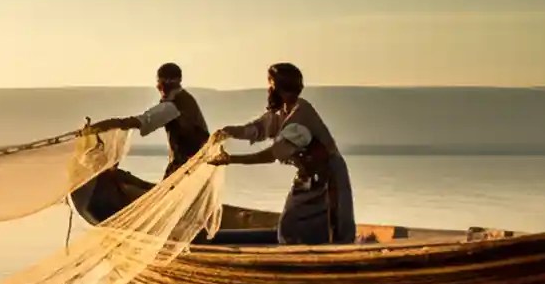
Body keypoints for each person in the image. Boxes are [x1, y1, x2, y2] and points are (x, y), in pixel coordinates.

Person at [210, 63, 356, 245]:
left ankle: (325, 255)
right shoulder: (280, 113)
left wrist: (231, 159)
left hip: (328, 178)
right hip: (307, 177)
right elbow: (256, 129)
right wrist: (228, 132)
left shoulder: (300, 117)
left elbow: (271, 155)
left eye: (270, 84)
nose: (268, 90)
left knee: (333, 228)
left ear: (279, 87)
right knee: (289, 225)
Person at [86, 62, 210, 178]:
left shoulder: (173, 106)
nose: (159, 88)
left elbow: (139, 121)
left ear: (164, 85)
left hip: (187, 169)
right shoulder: (185, 100)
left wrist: (98, 128)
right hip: (196, 166)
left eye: (160, 83)